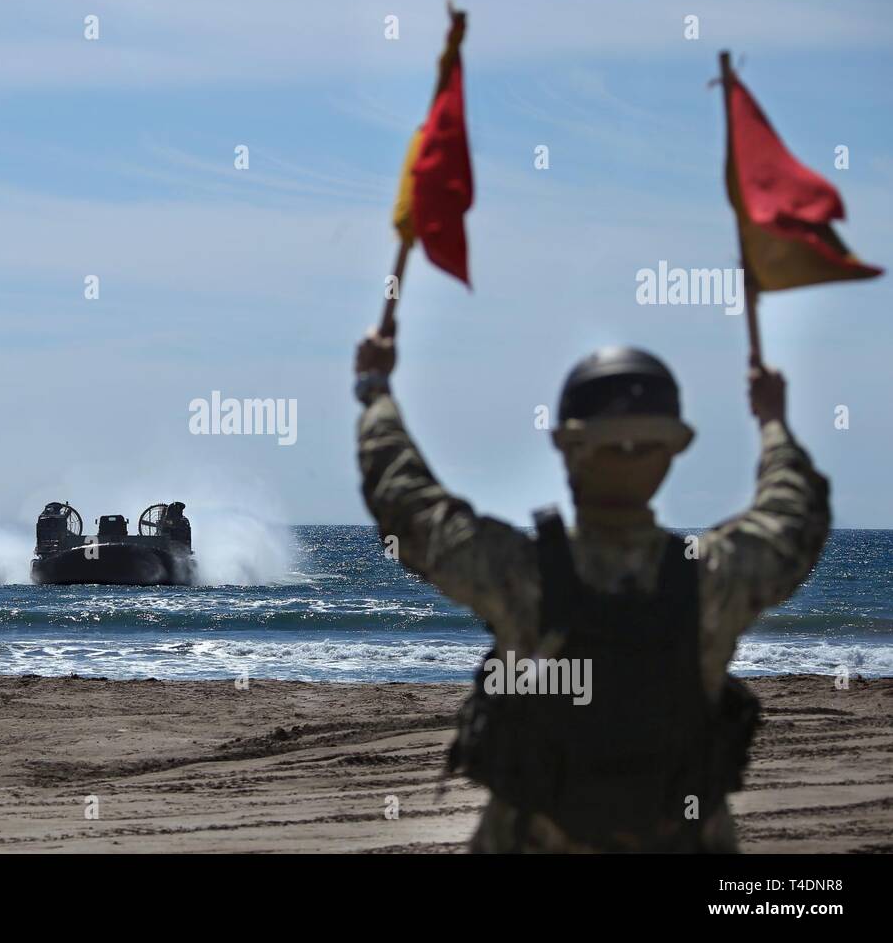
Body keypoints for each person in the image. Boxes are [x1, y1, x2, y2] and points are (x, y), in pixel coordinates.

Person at [353, 329, 830, 852]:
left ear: (567, 445)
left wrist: (377, 390)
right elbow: (792, 514)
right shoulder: (714, 576)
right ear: (671, 451)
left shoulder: (520, 573)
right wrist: (773, 421)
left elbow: (406, 502)